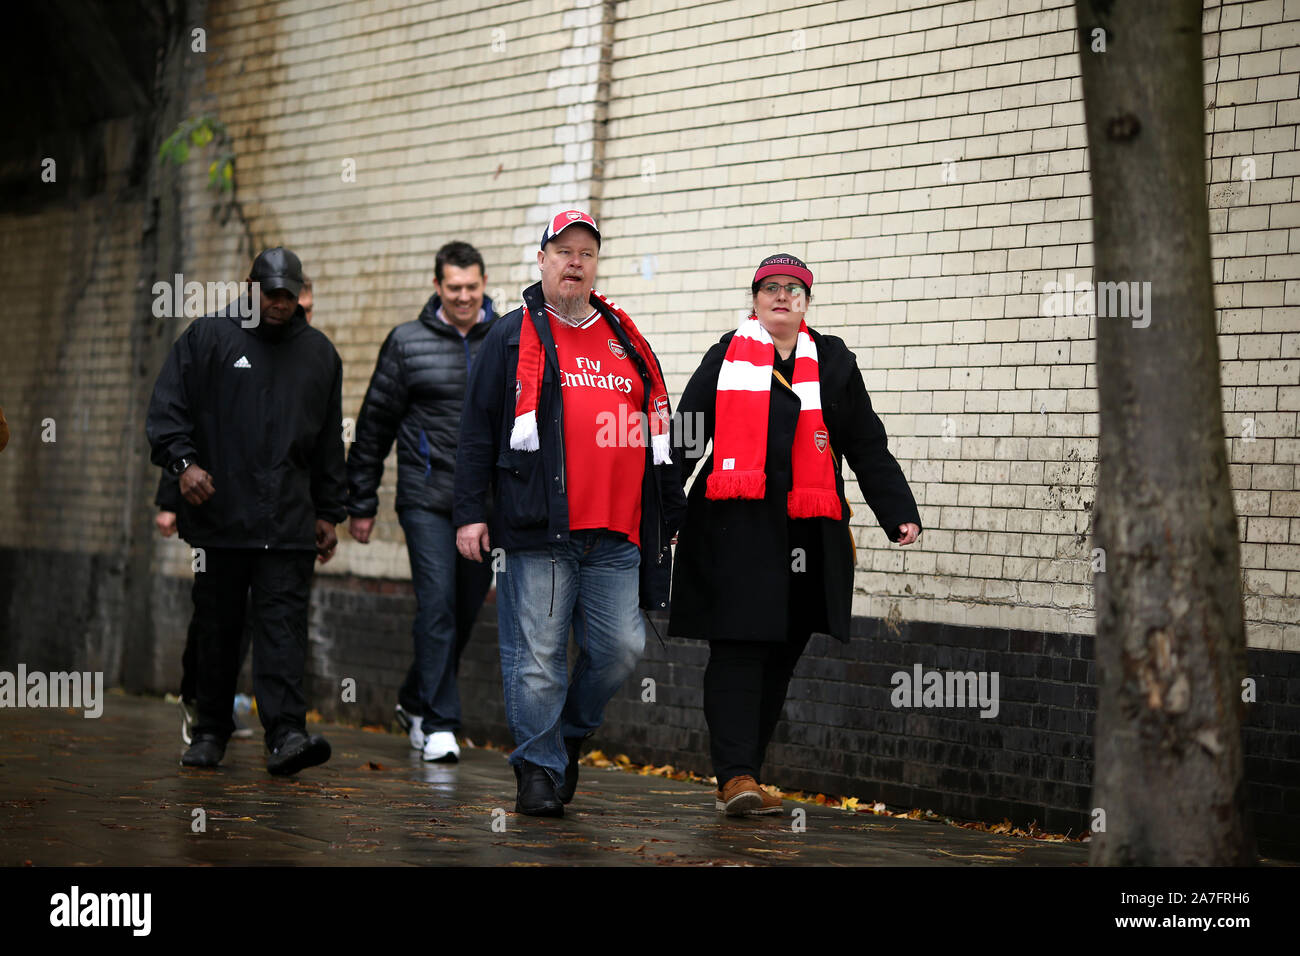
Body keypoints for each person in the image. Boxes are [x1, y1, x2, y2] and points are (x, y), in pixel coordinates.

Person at [669, 253, 922, 816]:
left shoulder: (832, 362)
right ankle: (734, 776)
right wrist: (664, 510)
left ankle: (746, 775)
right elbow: (686, 436)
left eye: (794, 288)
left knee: (781, 654)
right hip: (735, 531)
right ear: (754, 298)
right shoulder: (725, 357)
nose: (781, 296)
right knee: (738, 648)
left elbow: (865, 443)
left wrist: (896, 509)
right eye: (770, 288)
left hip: (808, 536)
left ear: (807, 300)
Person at [454, 210, 685, 816]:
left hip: (617, 532)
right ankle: (536, 769)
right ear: (542, 259)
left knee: (620, 650)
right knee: (538, 659)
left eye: (586, 252)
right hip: (541, 529)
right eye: (564, 250)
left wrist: (668, 510)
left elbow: (657, 432)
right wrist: (470, 513)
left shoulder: (626, 339)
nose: (575, 261)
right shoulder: (511, 336)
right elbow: (477, 433)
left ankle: (569, 734)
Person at [146, 246, 347, 775]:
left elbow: (329, 444)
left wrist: (329, 512)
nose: (279, 303)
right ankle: (210, 731)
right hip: (221, 520)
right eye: (270, 292)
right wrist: (184, 465)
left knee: (284, 629)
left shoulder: (320, 354)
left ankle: (286, 735)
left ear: (299, 292)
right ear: (251, 286)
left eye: (288, 294)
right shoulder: (208, 338)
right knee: (219, 628)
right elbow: (168, 411)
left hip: (288, 523)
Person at [346, 242, 497, 762]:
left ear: (483, 284)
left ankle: (414, 699)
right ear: (437, 287)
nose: (462, 297)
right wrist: (360, 502)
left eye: (471, 288)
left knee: (464, 609)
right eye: (453, 288)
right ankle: (439, 724)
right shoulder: (406, 343)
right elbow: (373, 426)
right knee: (436, 605)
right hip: (425, 499)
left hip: (483, 506)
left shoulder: (506, 339)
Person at [155, 473, 253, 743]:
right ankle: (196, 699)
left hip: (257, 520)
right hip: (211, 516)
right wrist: (169, 502)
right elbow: (179, 438)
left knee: (246, 613)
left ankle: (219, 704)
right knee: (210, 608)